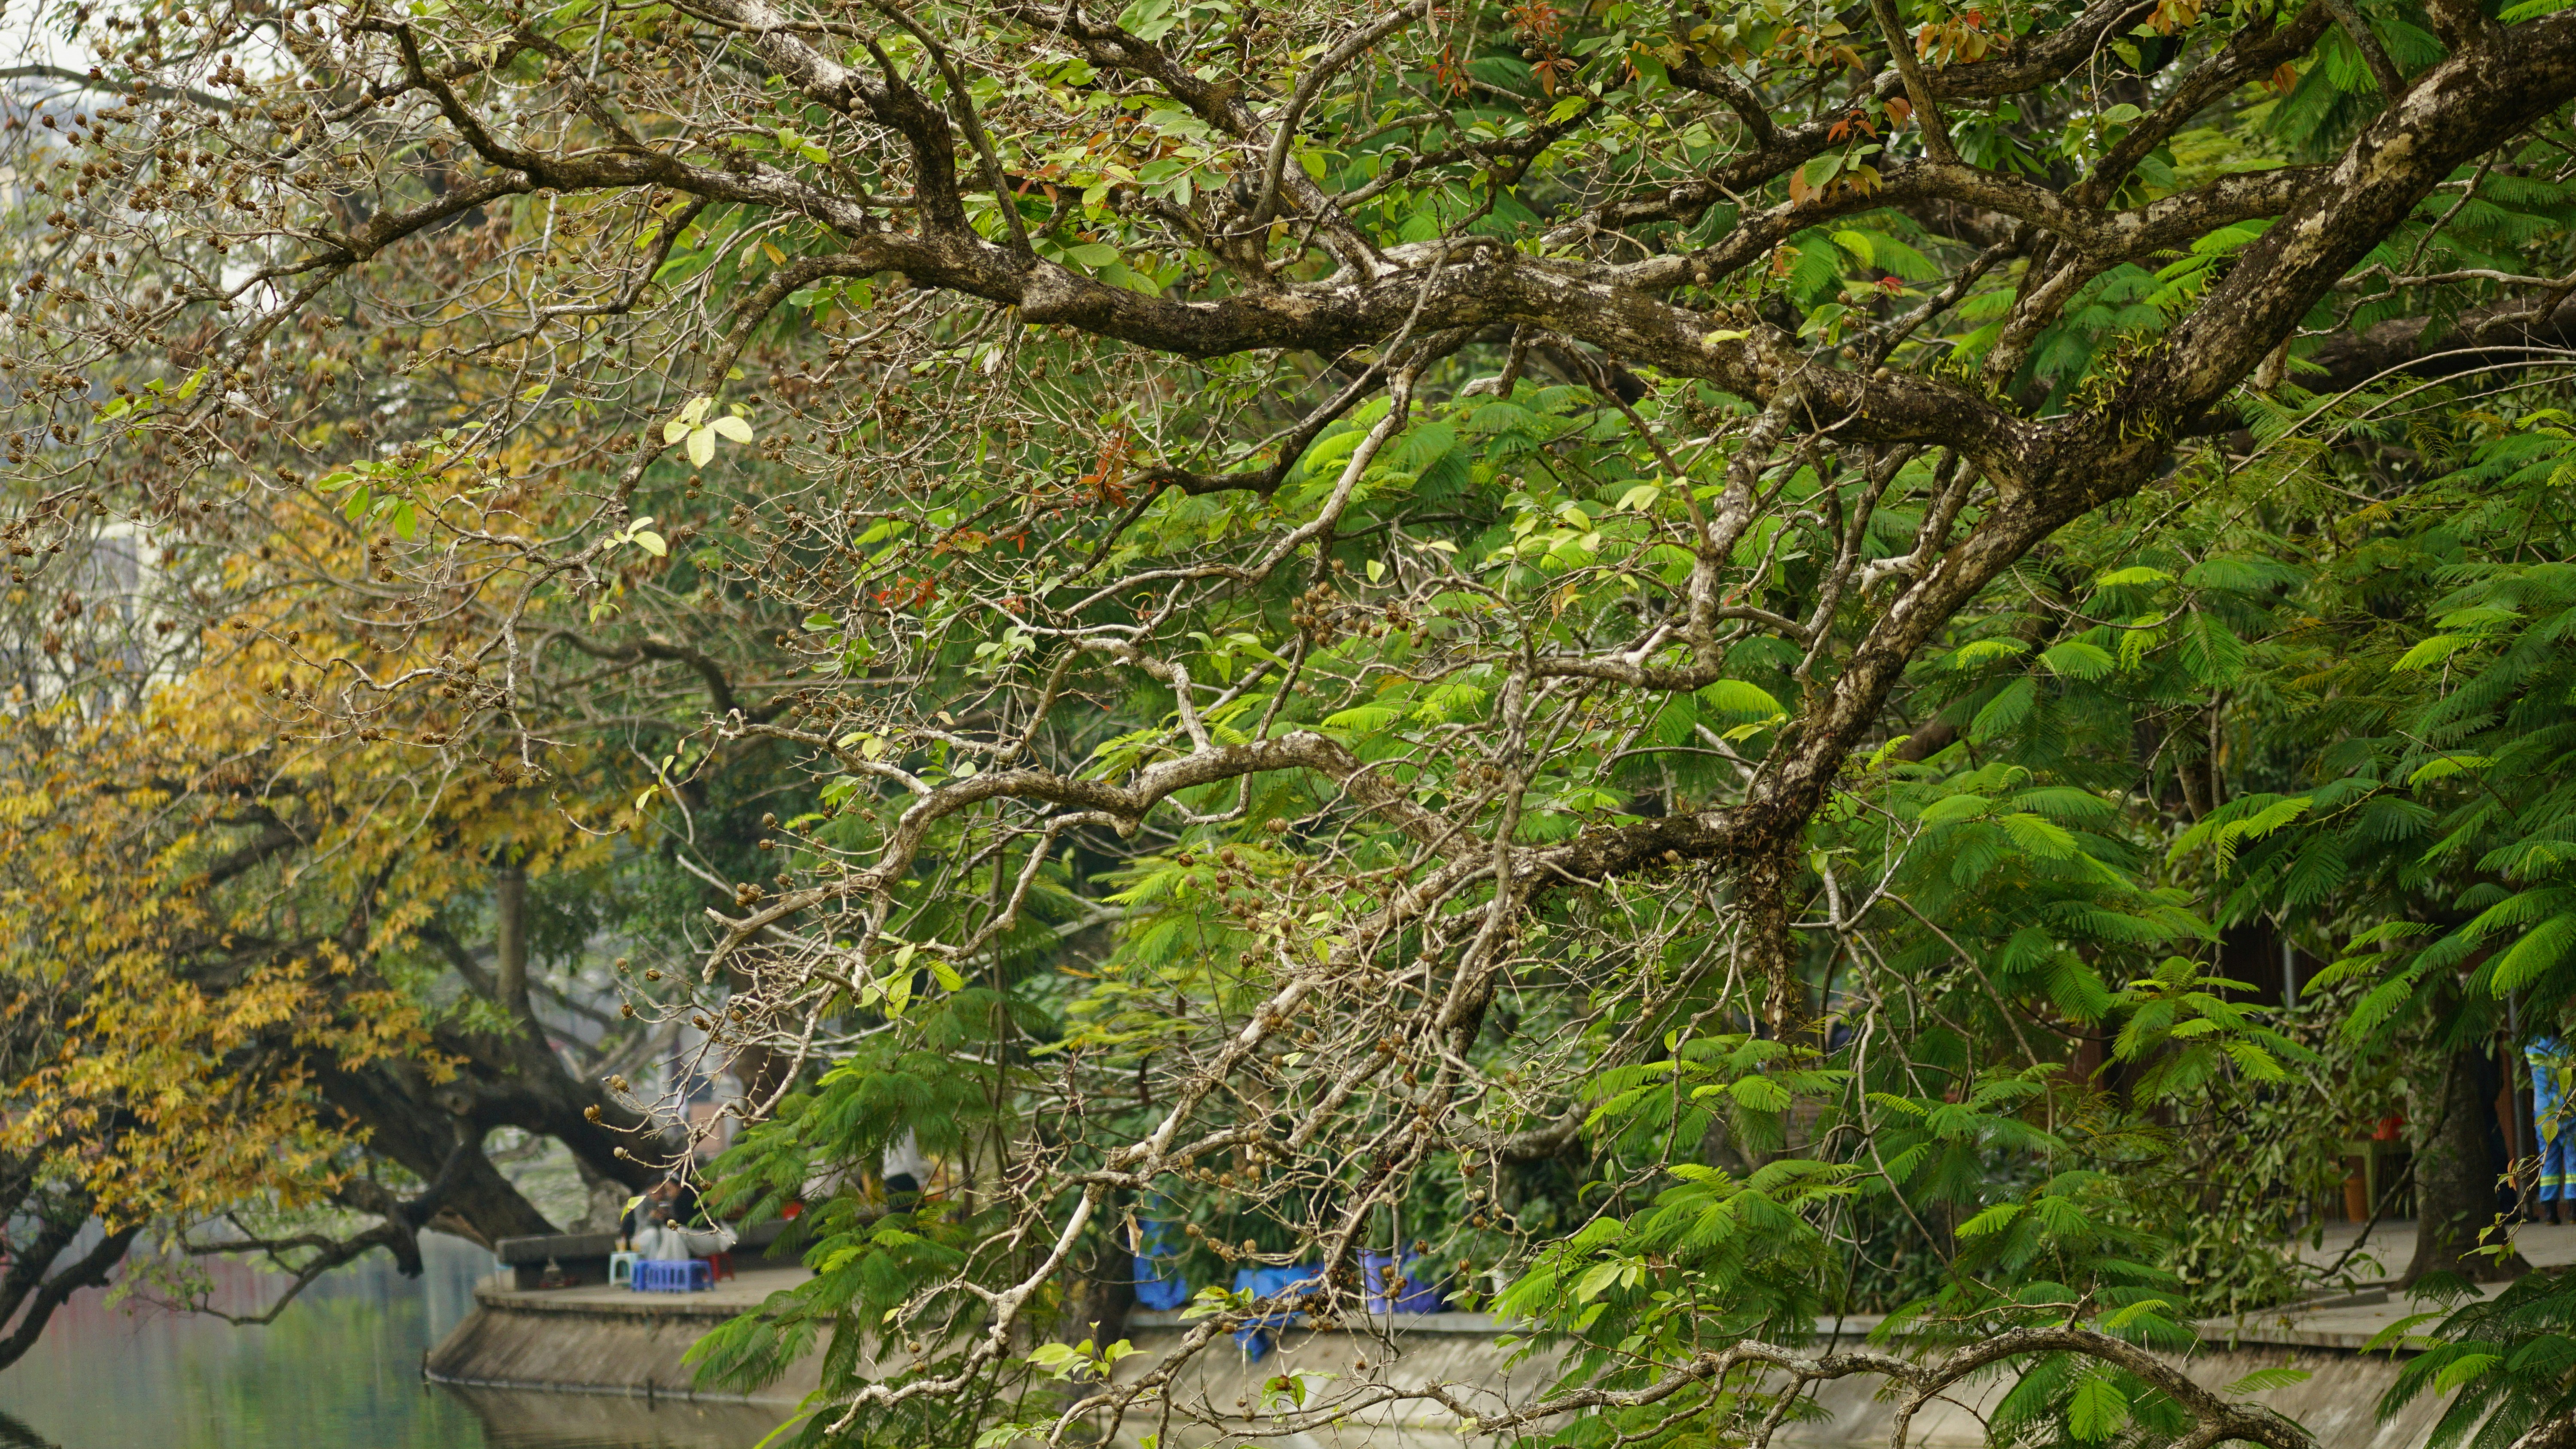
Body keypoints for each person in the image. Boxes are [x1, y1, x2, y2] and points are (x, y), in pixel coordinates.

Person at [2530, 1036, 2574, 1224]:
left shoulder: (2530, 1049)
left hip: (2542, 1113)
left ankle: (2550, 1213)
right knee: (2573, 1161)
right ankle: (2574, 1212)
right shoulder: (2565, 1049)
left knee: (2547, 1162)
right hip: (2565, 1110)